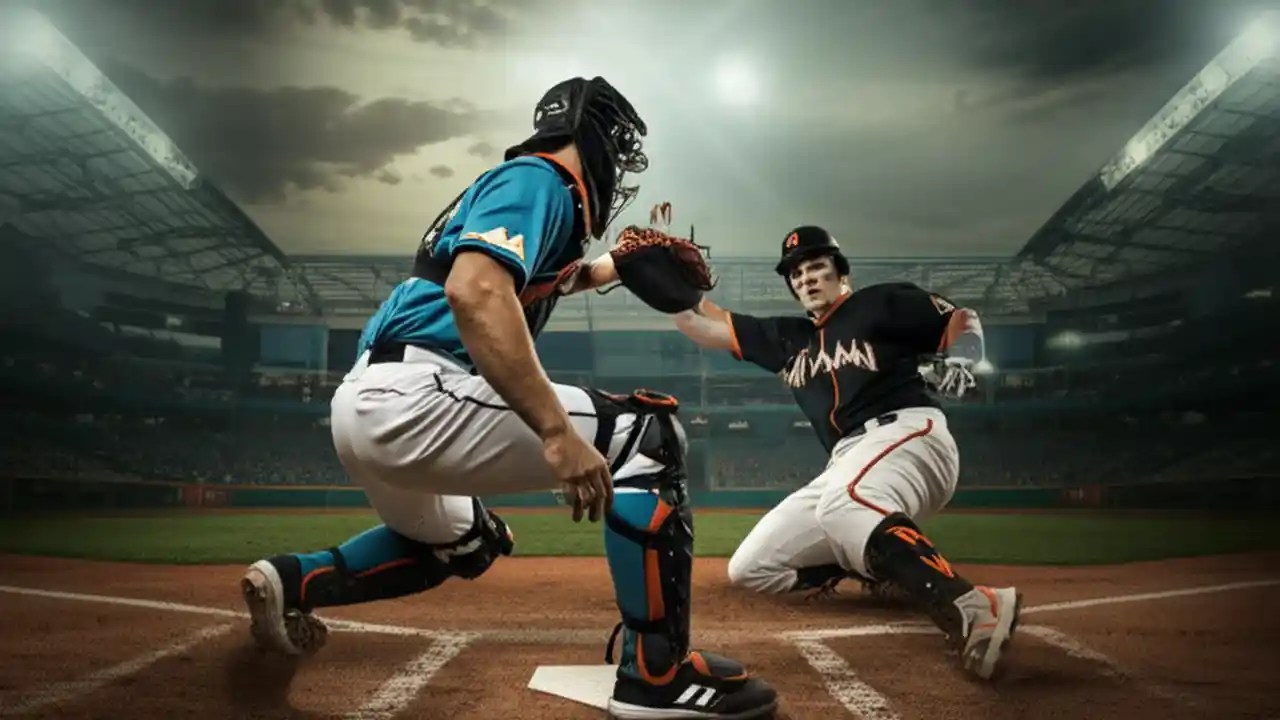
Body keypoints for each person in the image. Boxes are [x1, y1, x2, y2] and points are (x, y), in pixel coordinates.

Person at [238, 78, 778, 719]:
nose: (619, 170)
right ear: (594, 140)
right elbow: (476, 292)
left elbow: (531, 281)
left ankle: (293, 580)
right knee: (649, 435)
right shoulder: (539, 181)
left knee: (469, 542)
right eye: (617, 150)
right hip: (419, 395)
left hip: (370, 405)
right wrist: (555, 432)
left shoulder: (523, 193)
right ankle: (657, 678)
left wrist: (612, 267)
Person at [670, 223, 1021, 680]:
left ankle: (973, 605)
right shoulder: (787, 338)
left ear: (840, 271)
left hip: (909, 433)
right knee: (753, 567)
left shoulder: (877, 303)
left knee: (843, 502)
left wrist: (965, 356)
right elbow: (697, 323)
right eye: (796, 274)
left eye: (816, 266)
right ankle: (880, 568)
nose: (806, 278)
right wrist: (667, 281)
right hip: (847, 461)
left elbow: (960, 318)